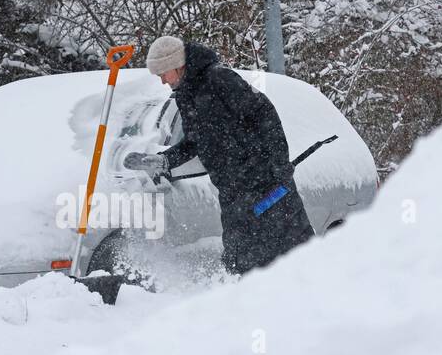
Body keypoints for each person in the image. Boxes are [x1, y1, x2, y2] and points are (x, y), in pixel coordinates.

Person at [124, 35, 315, 275]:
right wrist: (165, 160)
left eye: (162, 73)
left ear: (175, 64)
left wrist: (278, 166)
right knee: (240, 262)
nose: (162, 80)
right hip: (232, 190)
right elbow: (195, 142)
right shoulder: (186, 95)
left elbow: (266, 115)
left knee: (294, 255)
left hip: (267, 185)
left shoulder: (219, 78)